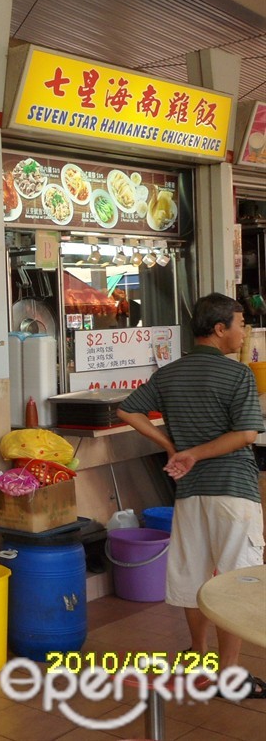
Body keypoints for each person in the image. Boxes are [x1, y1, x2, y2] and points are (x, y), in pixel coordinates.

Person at [116, 293, 265, 698]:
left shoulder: (171, 373)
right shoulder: (238, 375)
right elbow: (247, 435)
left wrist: (170, 446)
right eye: (239, 324)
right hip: (233, 492)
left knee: (194, 578)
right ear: (219, 329)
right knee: (234, 582)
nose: (242, 332)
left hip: (190, 493)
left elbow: (127, 411)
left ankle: (199, 657)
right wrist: (191, 452)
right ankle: (229, 675)